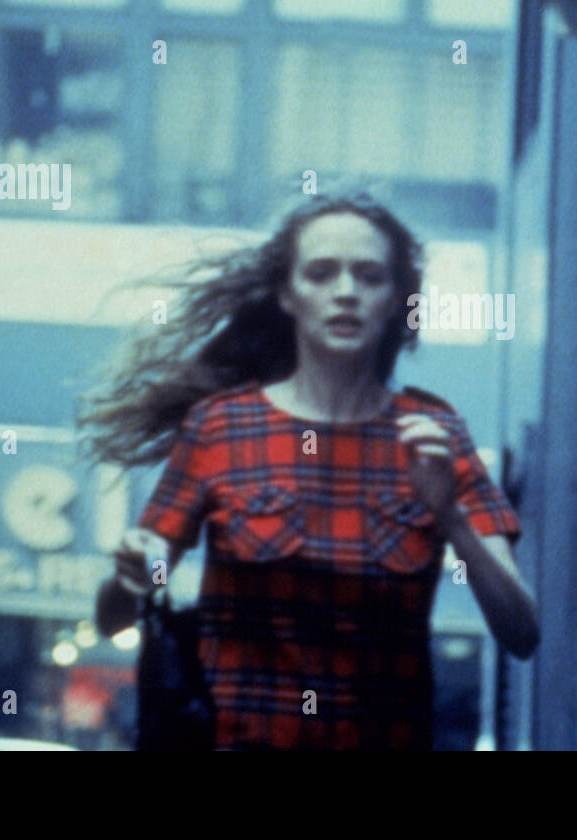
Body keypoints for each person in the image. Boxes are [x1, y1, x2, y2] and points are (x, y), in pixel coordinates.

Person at [79, 192, 539, 750]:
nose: (345, 292)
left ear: (396, 298)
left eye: (369, 276)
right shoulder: (222, 427)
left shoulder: (433, 434)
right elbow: (116, 618)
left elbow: (521, 633)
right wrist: (134, 574)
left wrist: (451, 515)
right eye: (321, 274)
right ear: (286, 294)